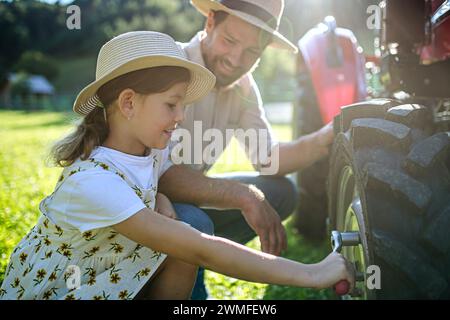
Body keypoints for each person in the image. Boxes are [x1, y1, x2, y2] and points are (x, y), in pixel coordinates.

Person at [0, 31, 353, 300]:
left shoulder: (148, 153)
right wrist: (312, 273)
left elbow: (160, 190)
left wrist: (162, 200)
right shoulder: (92, 182)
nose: (181, 117)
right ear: (127, 103)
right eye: (172, 105)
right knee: (186, 242)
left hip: (109, 279)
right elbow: (201, 247)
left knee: (179, 245)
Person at [158, 0, 335, 299]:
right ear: (210, 22)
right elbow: (158, 175)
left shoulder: (244, 87)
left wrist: (324, 138)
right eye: (230, 41)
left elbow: (268, 159)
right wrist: (243, 196)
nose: (236, 59)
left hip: (185, 204)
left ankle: (199, 252)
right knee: (193, 220)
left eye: (252, 52)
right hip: (139, 206)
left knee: (281, 193)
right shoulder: (169, 65)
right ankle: (179, 277)